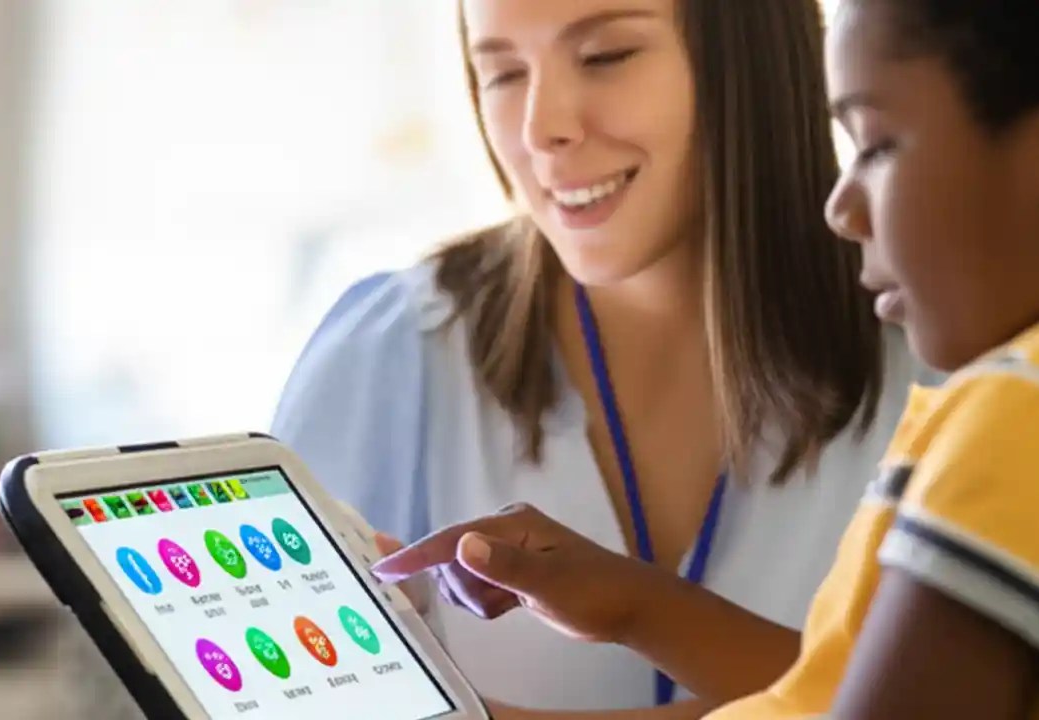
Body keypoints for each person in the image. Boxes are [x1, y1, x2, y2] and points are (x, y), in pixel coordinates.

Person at [379, 0, 1039, 718]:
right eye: (500, 73)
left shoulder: (1031, 417)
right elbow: (827, 691)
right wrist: (637, 608)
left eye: (875, 148)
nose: (842, 208)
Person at [272, 0, 931, 713]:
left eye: (605, 57)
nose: (542, 128)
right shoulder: (392, 350)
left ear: (751, 59)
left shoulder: (948, 349)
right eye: (502, 73)